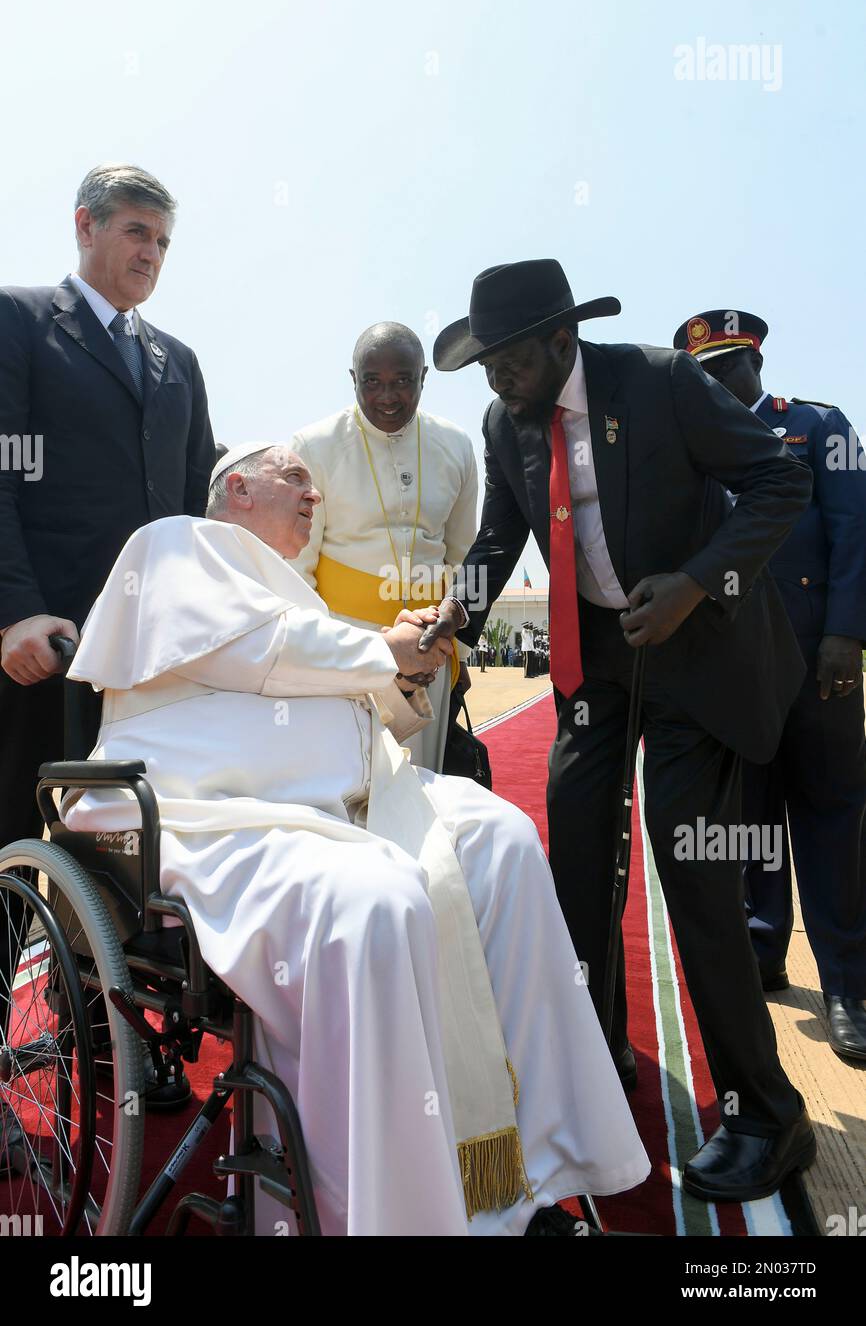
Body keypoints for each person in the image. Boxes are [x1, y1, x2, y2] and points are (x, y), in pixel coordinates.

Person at [61, 441, 649, 1237]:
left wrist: (397, 670)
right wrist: (382, 649)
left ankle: (525, 1173)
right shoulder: (177, 544)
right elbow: (262, 654)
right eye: (295, 478)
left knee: (504, 842)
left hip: (343, 798)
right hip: (220, 810)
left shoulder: (289, 593)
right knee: (374, 902)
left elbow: (344, 695)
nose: (315, 496)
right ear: (237, 487)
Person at [420, 258, 816, 1203]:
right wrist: (452, 617)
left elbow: (780, 481)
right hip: (597, 669)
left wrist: (696, 585)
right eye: (483, 365)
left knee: (690, 869)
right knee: (572, 851)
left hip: (697, 659)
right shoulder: (505, 420)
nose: (494, 379)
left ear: (562, 340)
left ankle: (769, 1115)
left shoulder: (660, 381)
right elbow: (498, 540)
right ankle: (596, 1055)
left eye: (507, 359)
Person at [0, 163, 215, 1114]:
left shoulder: (179, 361)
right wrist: (11, 611)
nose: (150, 255)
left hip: (148, 668)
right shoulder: (18, 321)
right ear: (85, 226)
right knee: (14, 860)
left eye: (163, 243)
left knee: (127, 865)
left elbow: (200, 506)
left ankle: (116, 1054)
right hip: (42, 653)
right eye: (135, 233)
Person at [674, 309, 866, 1061]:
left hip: (820, 664)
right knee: (748, 816)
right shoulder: (693, 451)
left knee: (832, 817)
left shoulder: (820, 427)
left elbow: (856, 530)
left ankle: (849, 983)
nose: (723, 382)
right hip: (736, 667)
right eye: (706, 374)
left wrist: (846, 635)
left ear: (756, 362)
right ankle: (764, 949)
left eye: (732, 366)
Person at [289, 322, 478, 770]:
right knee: (346, 792)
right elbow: (296, 568)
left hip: (431, 650)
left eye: (403, 382)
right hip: (346, 648)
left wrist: (457, 652)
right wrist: (315, 658)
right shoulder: (312, 446)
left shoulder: (456, 445)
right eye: (372, 382)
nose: (387, 397)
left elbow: (465, 558)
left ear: (424, 378)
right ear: (353, 378)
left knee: (422, 795)